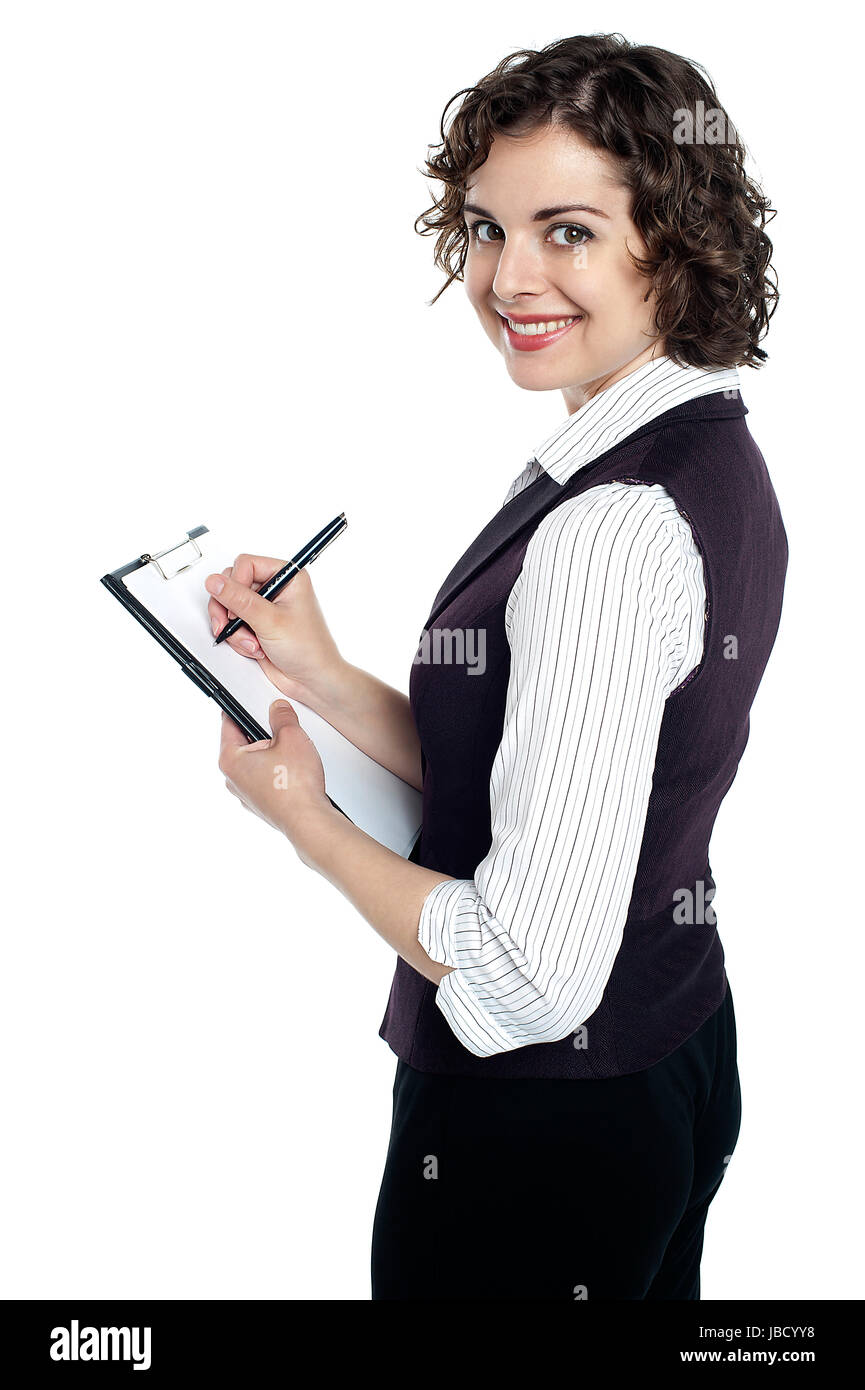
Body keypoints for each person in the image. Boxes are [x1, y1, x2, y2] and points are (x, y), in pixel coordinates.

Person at [204, 34, 788, 1300]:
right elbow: (542, 768)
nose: (507, 276)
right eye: (484, 227)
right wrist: (321, 673)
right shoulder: (698, 452)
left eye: (566, 230)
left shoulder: (603, 528)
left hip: (535, 1142)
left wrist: (301, 817)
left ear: (672, 239)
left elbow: (524, 972)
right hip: (668, 1059)